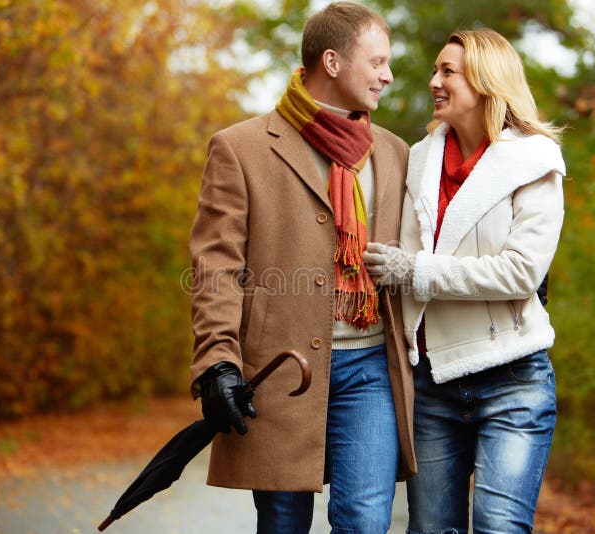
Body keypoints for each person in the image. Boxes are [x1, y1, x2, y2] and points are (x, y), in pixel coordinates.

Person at [187, 3, 417, 532]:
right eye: (376, 62)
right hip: (281, 372)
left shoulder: (395, 152)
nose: (387, 75)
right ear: (332, 62)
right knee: (283, 524)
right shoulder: (240, 149)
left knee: (363, 522)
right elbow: (216, 268)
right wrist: (218, 362)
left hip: (371, 372)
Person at [364, 28, 566, 533]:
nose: (434, 80)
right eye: (436, 70)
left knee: (499, 527)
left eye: (447, 71)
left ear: (484, 80)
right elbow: (399, 251)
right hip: (432, 382)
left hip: (512, 379)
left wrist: (418, 271)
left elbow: (522, 271)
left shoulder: (535, 161)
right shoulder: (419, 158)